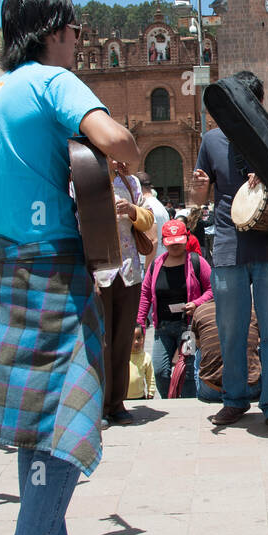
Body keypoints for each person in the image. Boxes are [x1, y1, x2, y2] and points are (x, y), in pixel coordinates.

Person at [0, 0, 141, 535]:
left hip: (9, 267)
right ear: (53, 31)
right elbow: (119, 140)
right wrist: (113, 155)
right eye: (73, 31)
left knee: (40, 420)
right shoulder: (52, 81)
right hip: (55, 268)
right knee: (70, 418)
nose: (79, 41)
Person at [192, 71, 268, 433]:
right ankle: (234, 400)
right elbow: (198, 198)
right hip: (228, 248)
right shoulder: (212, 140)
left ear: (260, 103)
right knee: (229, 330)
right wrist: (199, 189)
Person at [99, 159, 152, 426]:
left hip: (129, 270)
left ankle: (117, 403)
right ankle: (100, 404)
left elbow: (148, 219)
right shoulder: (82, 181)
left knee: (121, 339)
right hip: (99, 270)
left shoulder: (130, 182)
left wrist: (132, 210)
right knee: (102, 341)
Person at [136, 219, 213, 398]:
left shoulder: (197, 262)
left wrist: (197, 303)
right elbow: (145, 294)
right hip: (162, 328)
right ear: (164, 241)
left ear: (186, 239)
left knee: (188, 374)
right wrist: (140, 321)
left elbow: (212, 289)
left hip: (188, 329)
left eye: (179, 242)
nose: (175, 246)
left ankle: (188, 405)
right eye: (171, 243)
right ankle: (169, 402)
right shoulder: (156, 265)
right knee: (160, 371)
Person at [189, 299, 260, 404]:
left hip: (211, 391)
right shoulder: (252, 308)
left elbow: (198, 343)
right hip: (250, 390)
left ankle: (201, 392)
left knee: (199, 351)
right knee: (258, 348)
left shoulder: (200, 310)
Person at [135, 172, 169, 269]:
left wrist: (147, 268)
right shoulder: (159, 205)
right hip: (161, 259)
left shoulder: (146, 206)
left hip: (149, 262)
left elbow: (153, 241)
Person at [127, 325, 156, 400]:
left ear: (143, 338)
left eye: (139, 338)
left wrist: (151, 392)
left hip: (140, 397)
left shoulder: (146, 357)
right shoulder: (123, 357)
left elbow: (150, 377)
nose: (136, 342)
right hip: (123, 398)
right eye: (132, 338)